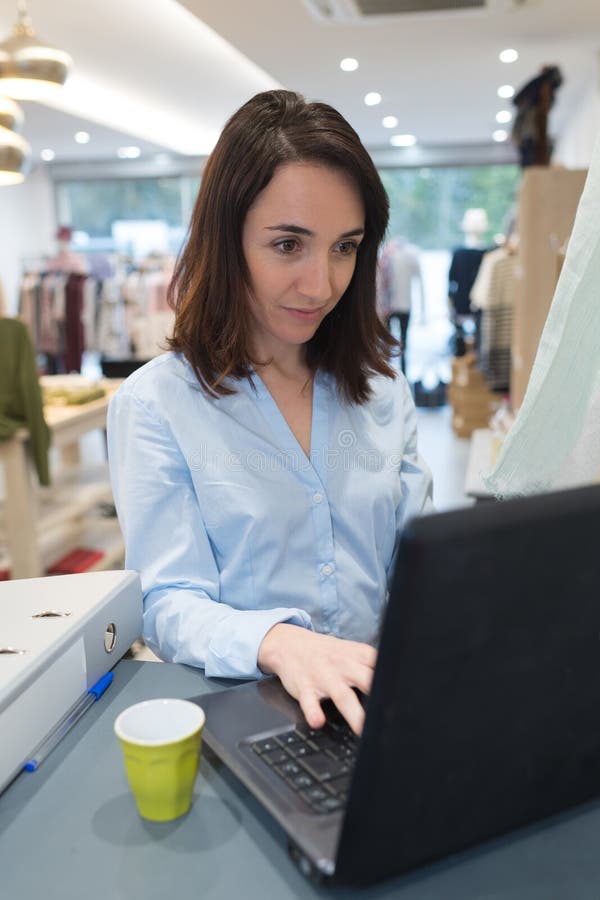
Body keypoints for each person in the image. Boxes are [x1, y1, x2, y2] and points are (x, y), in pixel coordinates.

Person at [107, 90, 432, 736]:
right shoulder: (158, 405)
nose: (321, 284)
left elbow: (415, 571)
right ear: (226, 241)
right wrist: (280, 642)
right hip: (249, 723)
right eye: (289, 245)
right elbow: (169, 603)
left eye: (345, 247)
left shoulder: (383, 391)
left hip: (378, 713)